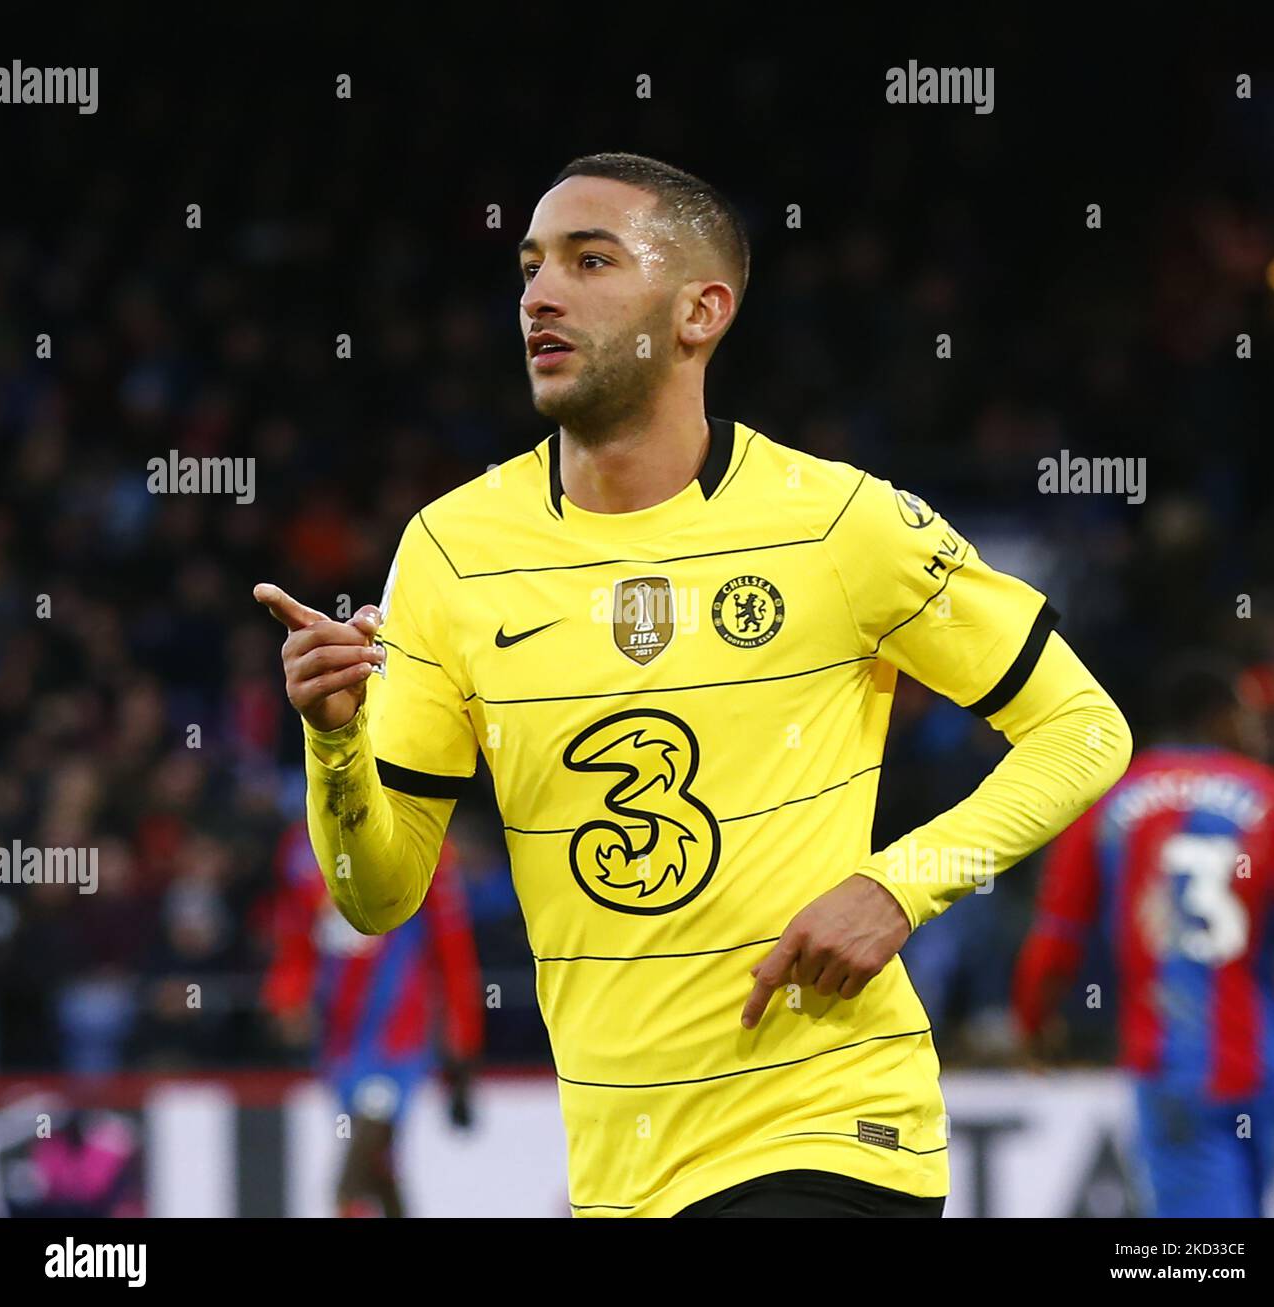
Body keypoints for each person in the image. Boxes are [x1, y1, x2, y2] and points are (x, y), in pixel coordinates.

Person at [255, 152, 1131, 1218]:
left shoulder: (837, 522)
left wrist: (898, 885)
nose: (540, 291)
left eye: (590, 260)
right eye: (531, 265)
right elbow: (375, 892)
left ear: (699, 310)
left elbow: (1083, 729)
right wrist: (334, 738)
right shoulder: (451, 550)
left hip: (828, 1127)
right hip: (617, 1169)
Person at [1013, 654, 1274, 1217]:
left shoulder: (1109, 805)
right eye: (1246, 717)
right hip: (1261, 1064)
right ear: (1218, 718)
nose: (1257, 731)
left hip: (1170, 1065)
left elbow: (1055, 939)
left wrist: (1035, 1025)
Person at [262, 820, 483, 1216]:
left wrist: (462, 1035)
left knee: (363, 1148)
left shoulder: (420, 835)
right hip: (342, 1036)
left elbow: (452, 947)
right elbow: (294, 937)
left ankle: (344, 1201)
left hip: (400, 1030)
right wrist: (289, 999)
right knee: (380, 1160)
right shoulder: (300, 844)